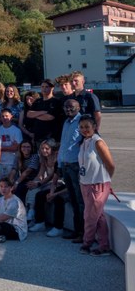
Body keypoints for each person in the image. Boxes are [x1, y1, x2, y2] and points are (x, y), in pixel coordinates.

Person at [78, 114, 115, 256]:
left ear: (94, 126)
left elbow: (110, 165)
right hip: (85, 184)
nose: (84, 129)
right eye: (81, 127)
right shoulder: (84, 142)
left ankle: (87, 243)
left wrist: (106, 181)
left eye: (87, 126)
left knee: (89, 217)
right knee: (98, 216)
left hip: (98, 184)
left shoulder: (98, 142)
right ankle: (104, 245)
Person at [59, 99, 84, 242]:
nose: (68, 109)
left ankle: (83, 233)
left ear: (78, 107)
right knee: (73, 199)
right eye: (66, 107)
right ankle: (76, 230)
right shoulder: (66, 122)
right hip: (65, 165)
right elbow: (63, 144)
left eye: (71, 107)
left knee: (80, 201)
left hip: (76, 166)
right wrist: (59, 164)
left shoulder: (82, 121)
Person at [0, 108, 22, 179]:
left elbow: (16, 148)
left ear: (11, 116)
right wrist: (10, 147)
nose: (4, 118)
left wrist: (0, 148)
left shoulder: (17, 131)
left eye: (6, 116)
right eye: (2, 116)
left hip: (12, 162)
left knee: (11, 182)